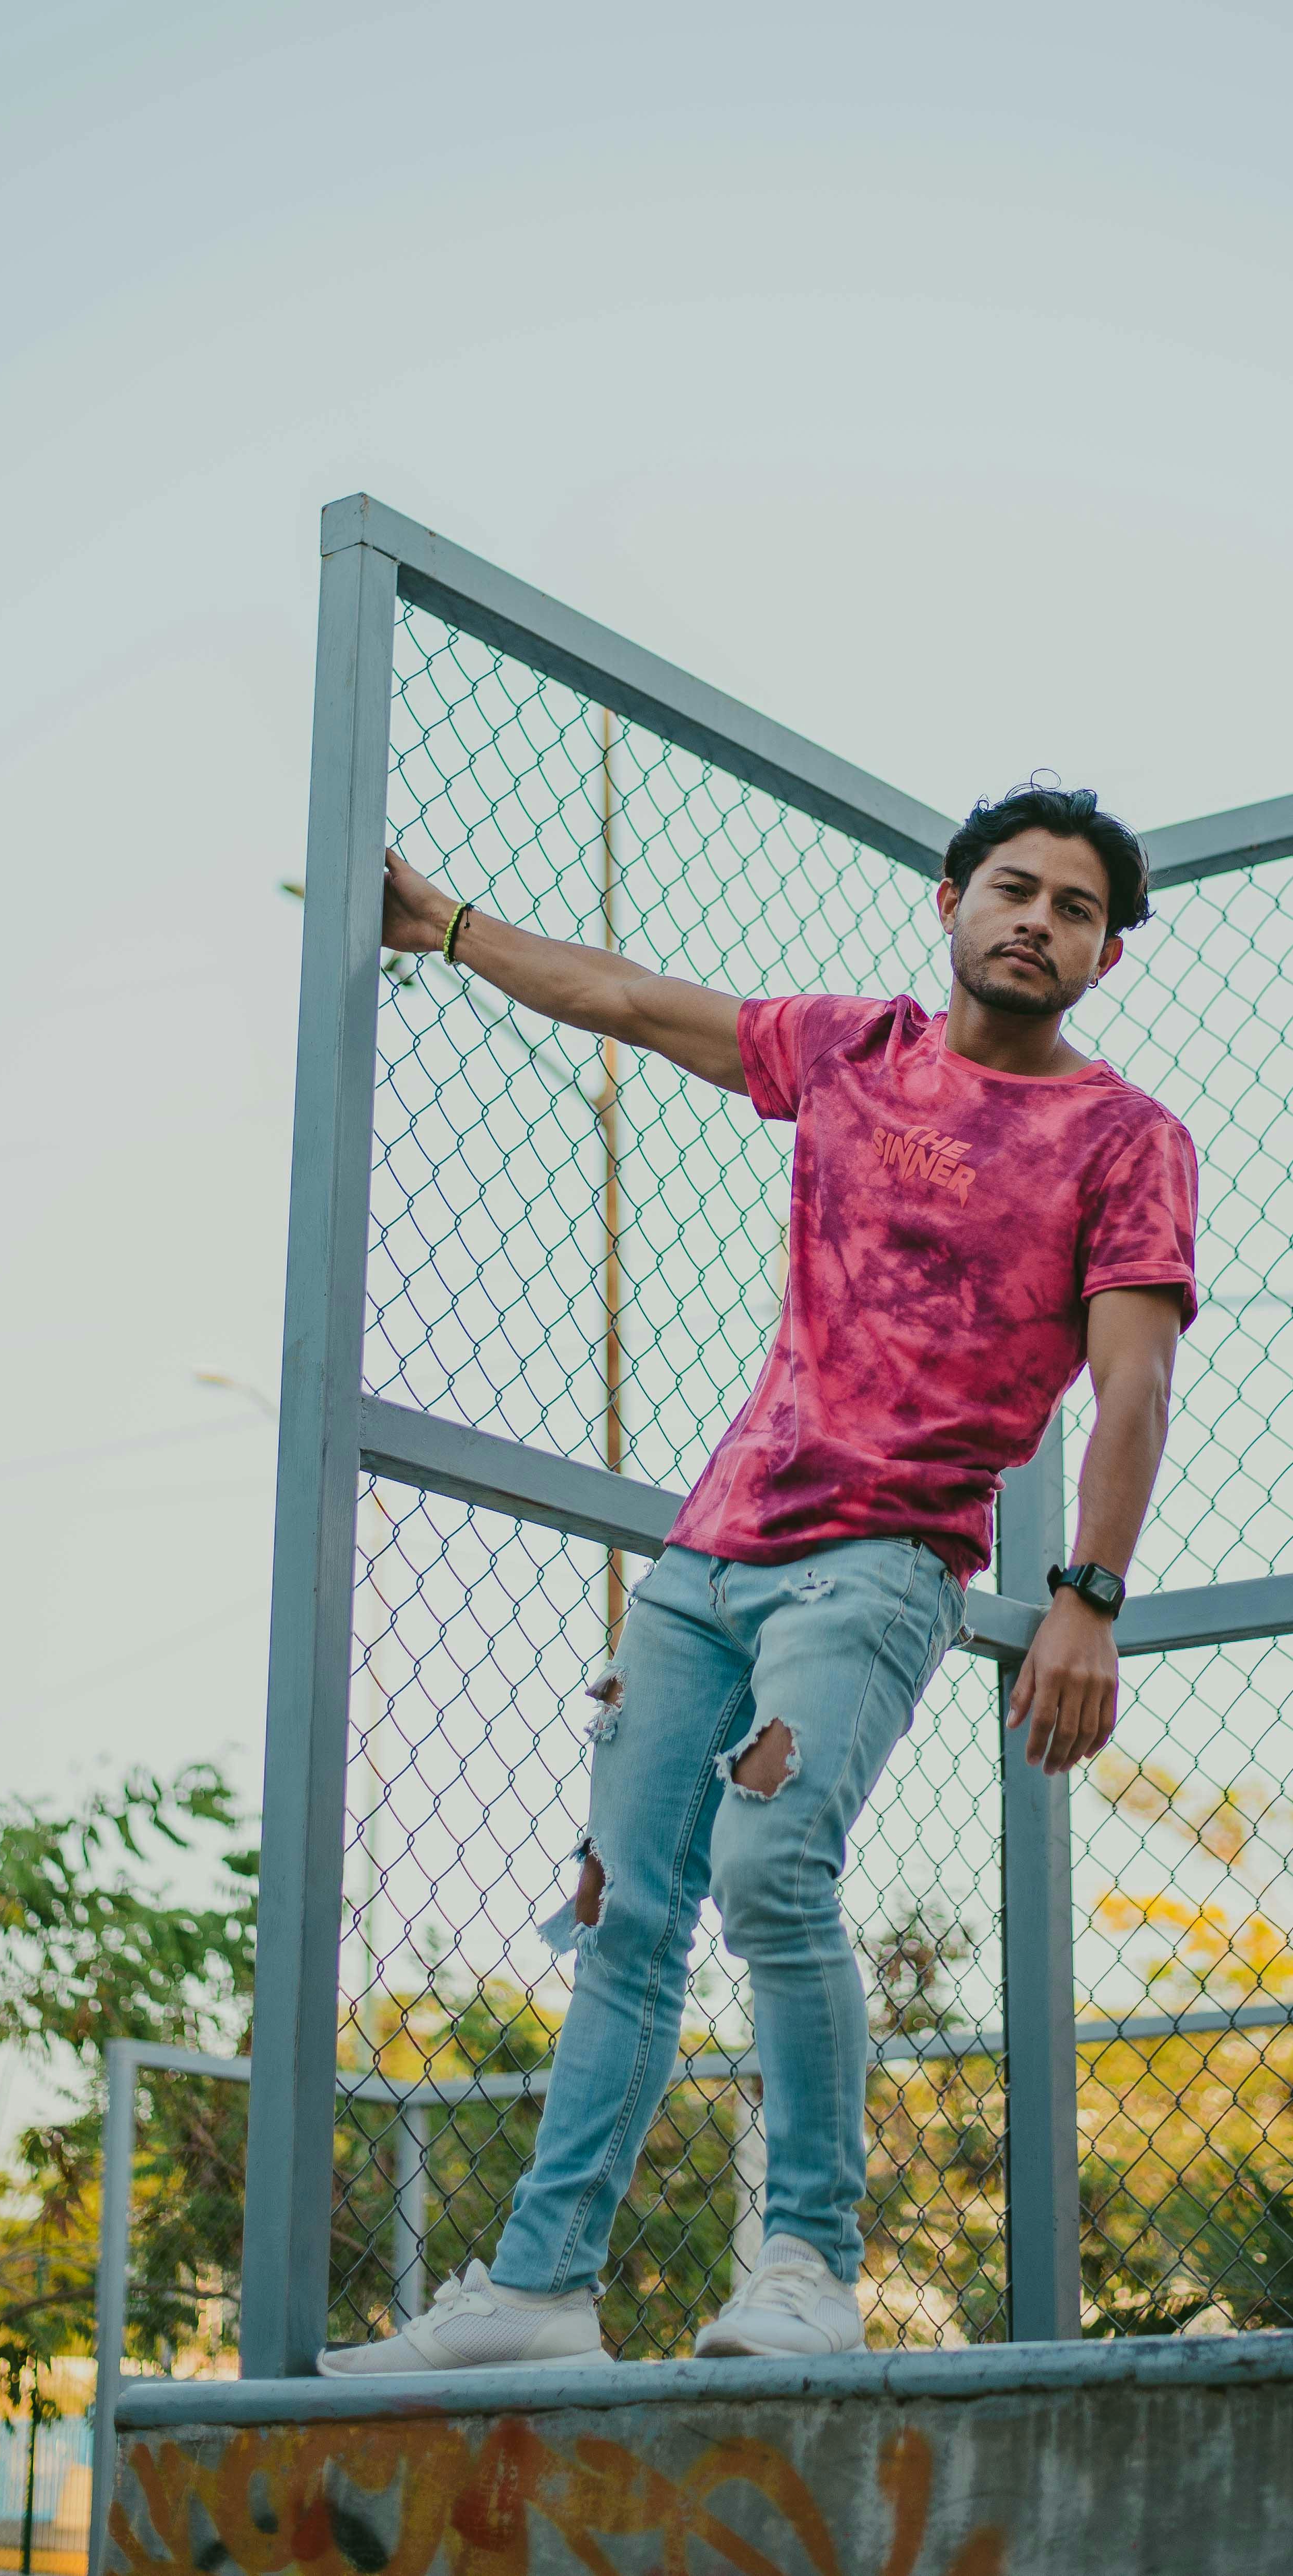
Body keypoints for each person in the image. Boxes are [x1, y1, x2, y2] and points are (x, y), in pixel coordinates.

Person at [319, 780, 1197, 2375]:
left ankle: (808, 2269)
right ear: (948, 902)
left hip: (879, 1561)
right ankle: (536, 2291)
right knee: (623, 1912)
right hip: (709, 1550)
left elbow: (1131, 1386)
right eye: (1013, 889)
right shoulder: (852, 1054)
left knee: (772, 1871)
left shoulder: (1123, 1139)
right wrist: (441, 928)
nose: (1036, 922)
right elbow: (635, 1001)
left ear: (1103, 960)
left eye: (1075, 911)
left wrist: (1090, 1594)